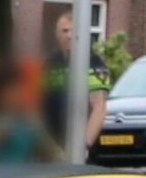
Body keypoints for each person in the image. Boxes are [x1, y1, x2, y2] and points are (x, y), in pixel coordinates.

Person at [42, 13, 111, 155]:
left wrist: (84, 146)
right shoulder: (51, 64)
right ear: (57, 34)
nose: (69, 36)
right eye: (65, 31)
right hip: (52, 149)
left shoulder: (93, 63)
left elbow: (99, 108)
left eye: (74, 31)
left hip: (81, 148)